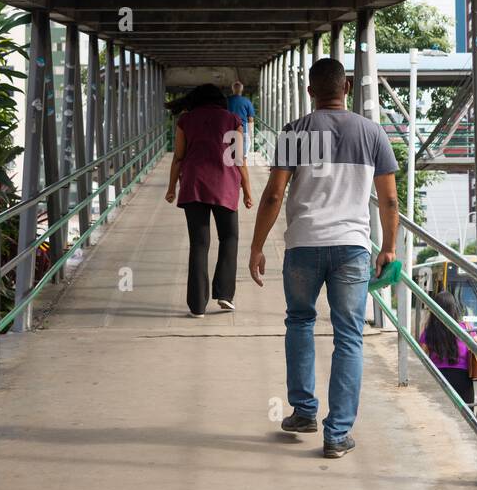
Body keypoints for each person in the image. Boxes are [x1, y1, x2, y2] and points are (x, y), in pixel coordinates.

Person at [248, 57, 398, 459]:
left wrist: (257, 245)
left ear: (311, 92)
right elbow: (389, 199)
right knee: (349, 336)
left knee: (299, 321)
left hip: (302, 245)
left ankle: (303, 411)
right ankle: (338, 434)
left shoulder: (295, 133)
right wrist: (388, 248)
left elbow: (275, 195)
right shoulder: (372, 133)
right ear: (347, 87)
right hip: (352, 248)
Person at [165, 84, 253, 317]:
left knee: (199, 244)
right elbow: (238, 158)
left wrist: (171, 187)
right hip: (225, 184)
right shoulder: (233, 119)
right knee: (230, 237)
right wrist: (247, 190)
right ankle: (224, 293)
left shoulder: (186, 120)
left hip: (193, 184)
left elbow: (179, 157)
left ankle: (197, 306)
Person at [419, 290, 476, 406]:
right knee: (466, 417)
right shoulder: (466, 328)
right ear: (454, 307)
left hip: (438, 377)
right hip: (463, 379)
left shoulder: (429, 331)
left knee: (441, 413)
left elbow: (421, 356)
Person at [226, 81, 256, 160]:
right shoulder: (247, 101)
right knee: (243, 155)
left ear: (232, 89)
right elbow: (250, 119)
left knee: (228, 154)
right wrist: (250, 133)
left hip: (227, 129)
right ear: (242, 89)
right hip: (243, 130)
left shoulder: (226, 101)